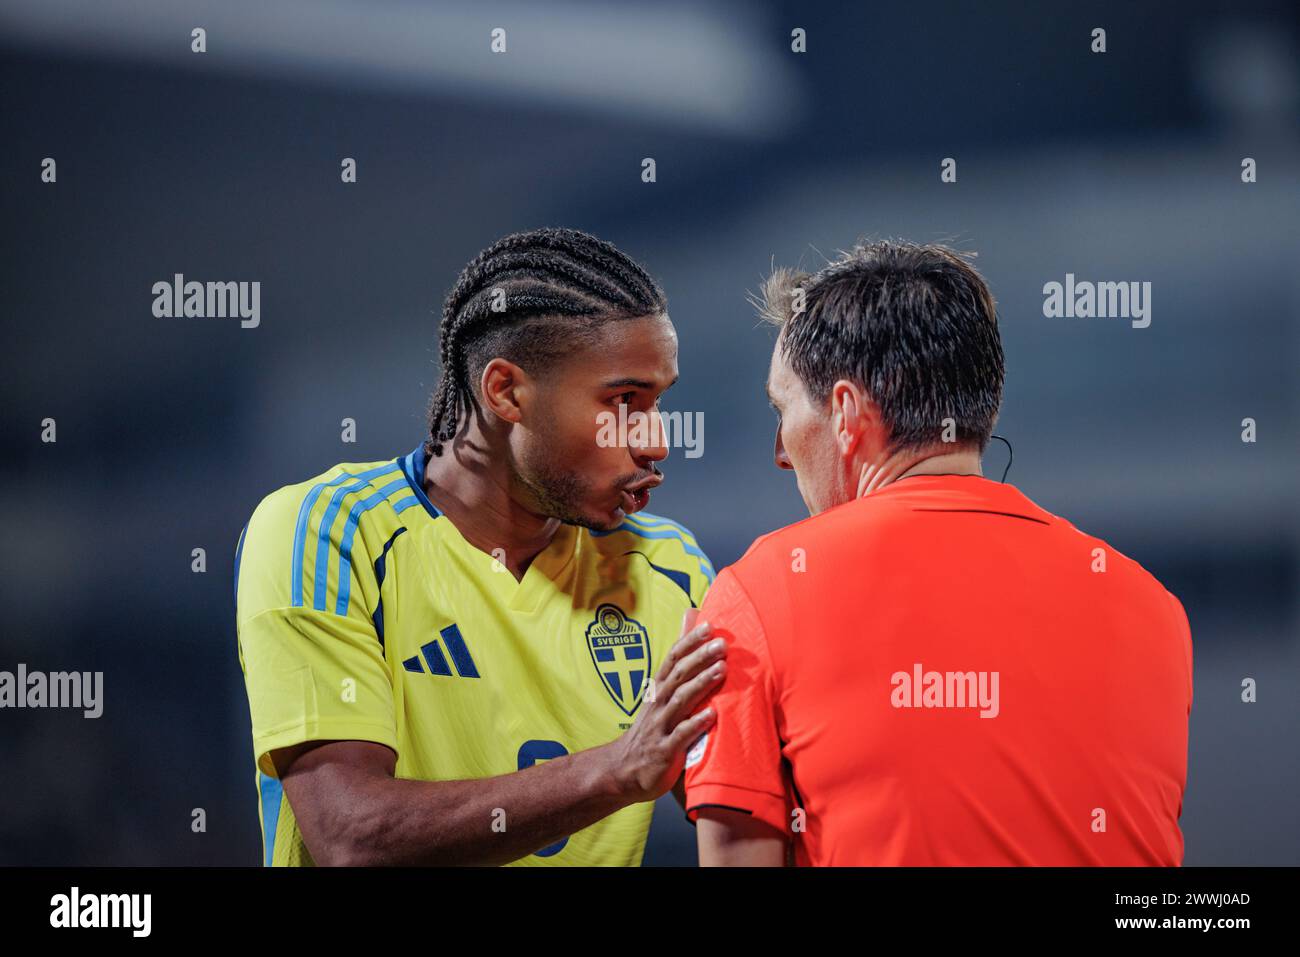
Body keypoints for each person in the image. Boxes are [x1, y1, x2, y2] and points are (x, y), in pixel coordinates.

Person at [683, 239, 1192, 866]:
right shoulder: (1154, 606)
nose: (782, 453)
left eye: (782, 411)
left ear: (845, 413)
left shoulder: (760, 595)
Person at [235, 227, 724, 866]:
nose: (657, 440)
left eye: (659, 403)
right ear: (505, 392)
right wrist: (617, 769)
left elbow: (744, 801)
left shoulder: (673, 570)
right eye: (623, 401)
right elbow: (351, 839)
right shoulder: (331, 532)